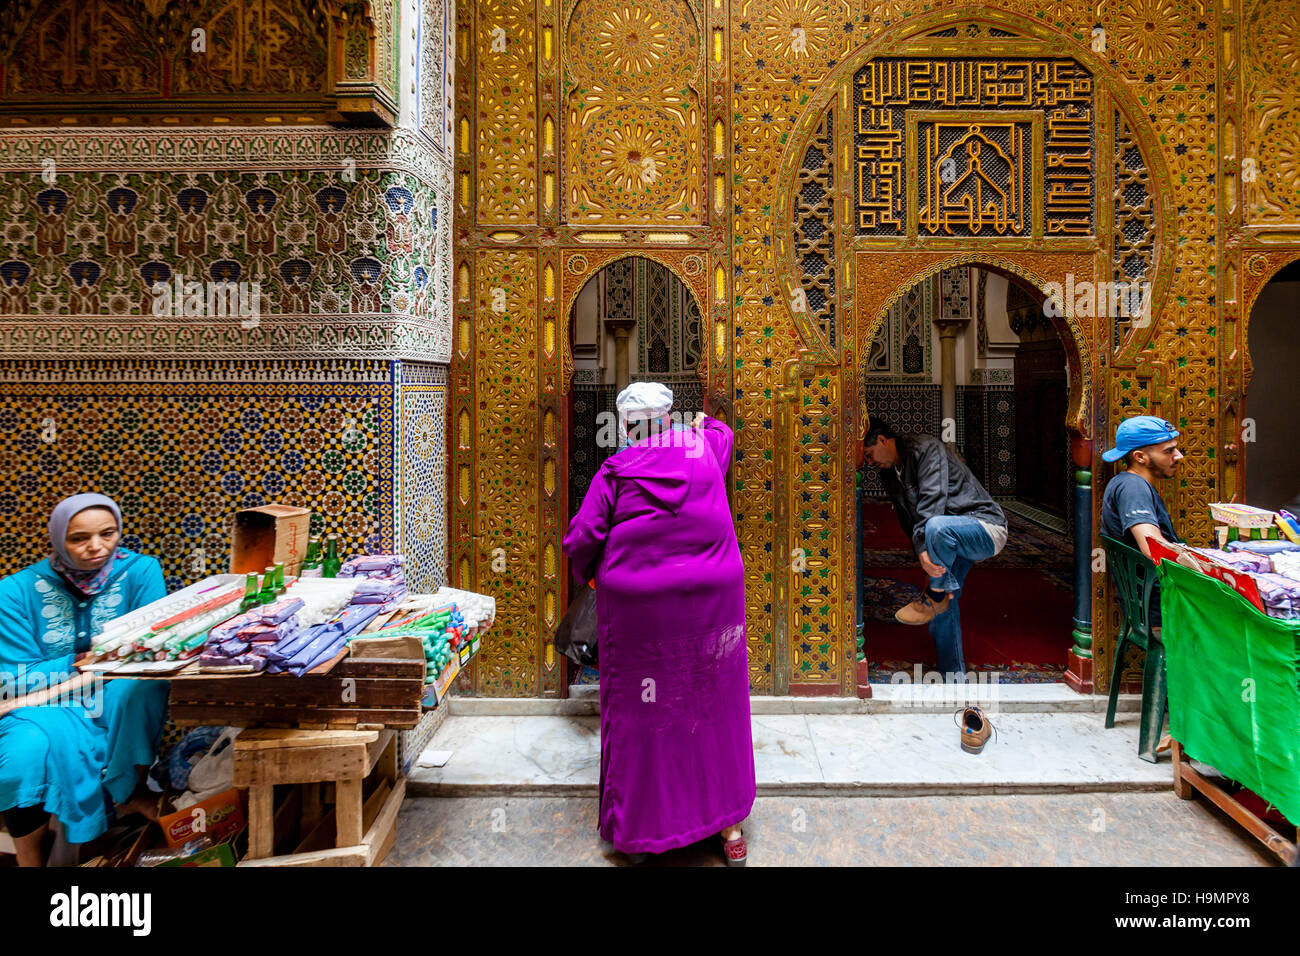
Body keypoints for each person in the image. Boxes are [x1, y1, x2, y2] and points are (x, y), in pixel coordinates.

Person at [562, 382, 755, 866]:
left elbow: (582, 538)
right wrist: (699, 424)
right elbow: (724, 432)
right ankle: (729, 825)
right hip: (713, 608)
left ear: (627, 427)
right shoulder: (706, 448)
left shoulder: (617, 470)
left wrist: (589, 572)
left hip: (641, 618)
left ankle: (644, 835)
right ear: (668, 419)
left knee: (645, 713)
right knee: (714, 707)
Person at [0, 494, 171, 866]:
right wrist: (82, 661)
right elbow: (13, 678)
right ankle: (28, 861)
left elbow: (145, 651)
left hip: (115, 692)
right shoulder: (14, 591)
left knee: (141, 686)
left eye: (108, 534)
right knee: (21, 753)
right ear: (58, 537)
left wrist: (103, 660)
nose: (96, 547)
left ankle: (130, 790)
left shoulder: (141, 572)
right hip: (44, 705)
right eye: (79, 538)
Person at [862, 419, 1008, 679]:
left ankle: (937, 592)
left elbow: (932, 506)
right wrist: (926, 562)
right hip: (945, 542)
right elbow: (909, 520)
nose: (870, 463)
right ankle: (954, 676)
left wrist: (924, 550)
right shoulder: (889, 474)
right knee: (942, 605)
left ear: (883, 440)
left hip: (983, 527)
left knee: (936, 528)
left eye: (869, 454)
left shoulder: (926, 449)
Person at [1099, 415, 1183, 560]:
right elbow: (1153, 547)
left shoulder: (1129, 483)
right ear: (1140, 457)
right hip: (1158, 582)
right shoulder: (1133, 487)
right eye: (1168, 451)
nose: (1179, 456)